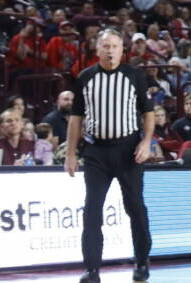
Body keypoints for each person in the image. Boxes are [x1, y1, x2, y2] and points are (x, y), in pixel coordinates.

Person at [67, 29, 159, 283]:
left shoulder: (134, 76)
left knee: (136, 209)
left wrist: (146, 141)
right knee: (92, 211)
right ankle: (92, 269)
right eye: (105, 46)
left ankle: (141, 261)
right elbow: (76, 119)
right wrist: (71, 153)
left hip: (128, 150)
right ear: (97, 49)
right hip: (96, 151)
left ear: (122, 49)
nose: (110, 50)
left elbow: (148, 112)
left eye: (115, 46)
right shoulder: (85, 78)